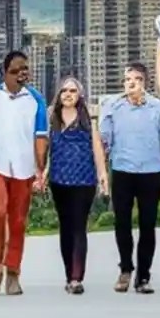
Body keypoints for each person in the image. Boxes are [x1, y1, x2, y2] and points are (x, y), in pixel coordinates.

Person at [99, 61, 160, 295]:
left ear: (145, 83)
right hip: (122, 169)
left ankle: (143, 276)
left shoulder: (157, 107)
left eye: (136, 79)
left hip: (151, 171)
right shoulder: (114, 106)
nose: (131, 83)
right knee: (122, 222)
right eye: (127, 80)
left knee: (147, 224)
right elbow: (103, 138)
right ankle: (125, 269)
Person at [0, 51, 49, 296]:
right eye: (15, 71)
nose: (21, 74)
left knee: (18, 221)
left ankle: (13, 271)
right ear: (5, 73)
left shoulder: (36, 100)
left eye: (24, 69)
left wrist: (41, 169)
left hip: (24, 168)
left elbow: (40, 137)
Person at [43, 76, 108, 294]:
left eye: (72, 91)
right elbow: (47, 149)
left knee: (79, 226)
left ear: (79, 95)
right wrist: (42, 172)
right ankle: (68, 273)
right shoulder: (52, 117)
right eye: (64, 91)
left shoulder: (87, 118)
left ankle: (77, 278)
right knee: (66, 227)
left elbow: (97, 147)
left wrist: (102, 174)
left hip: (84, 179)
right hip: (59, 179)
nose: (68, 95)